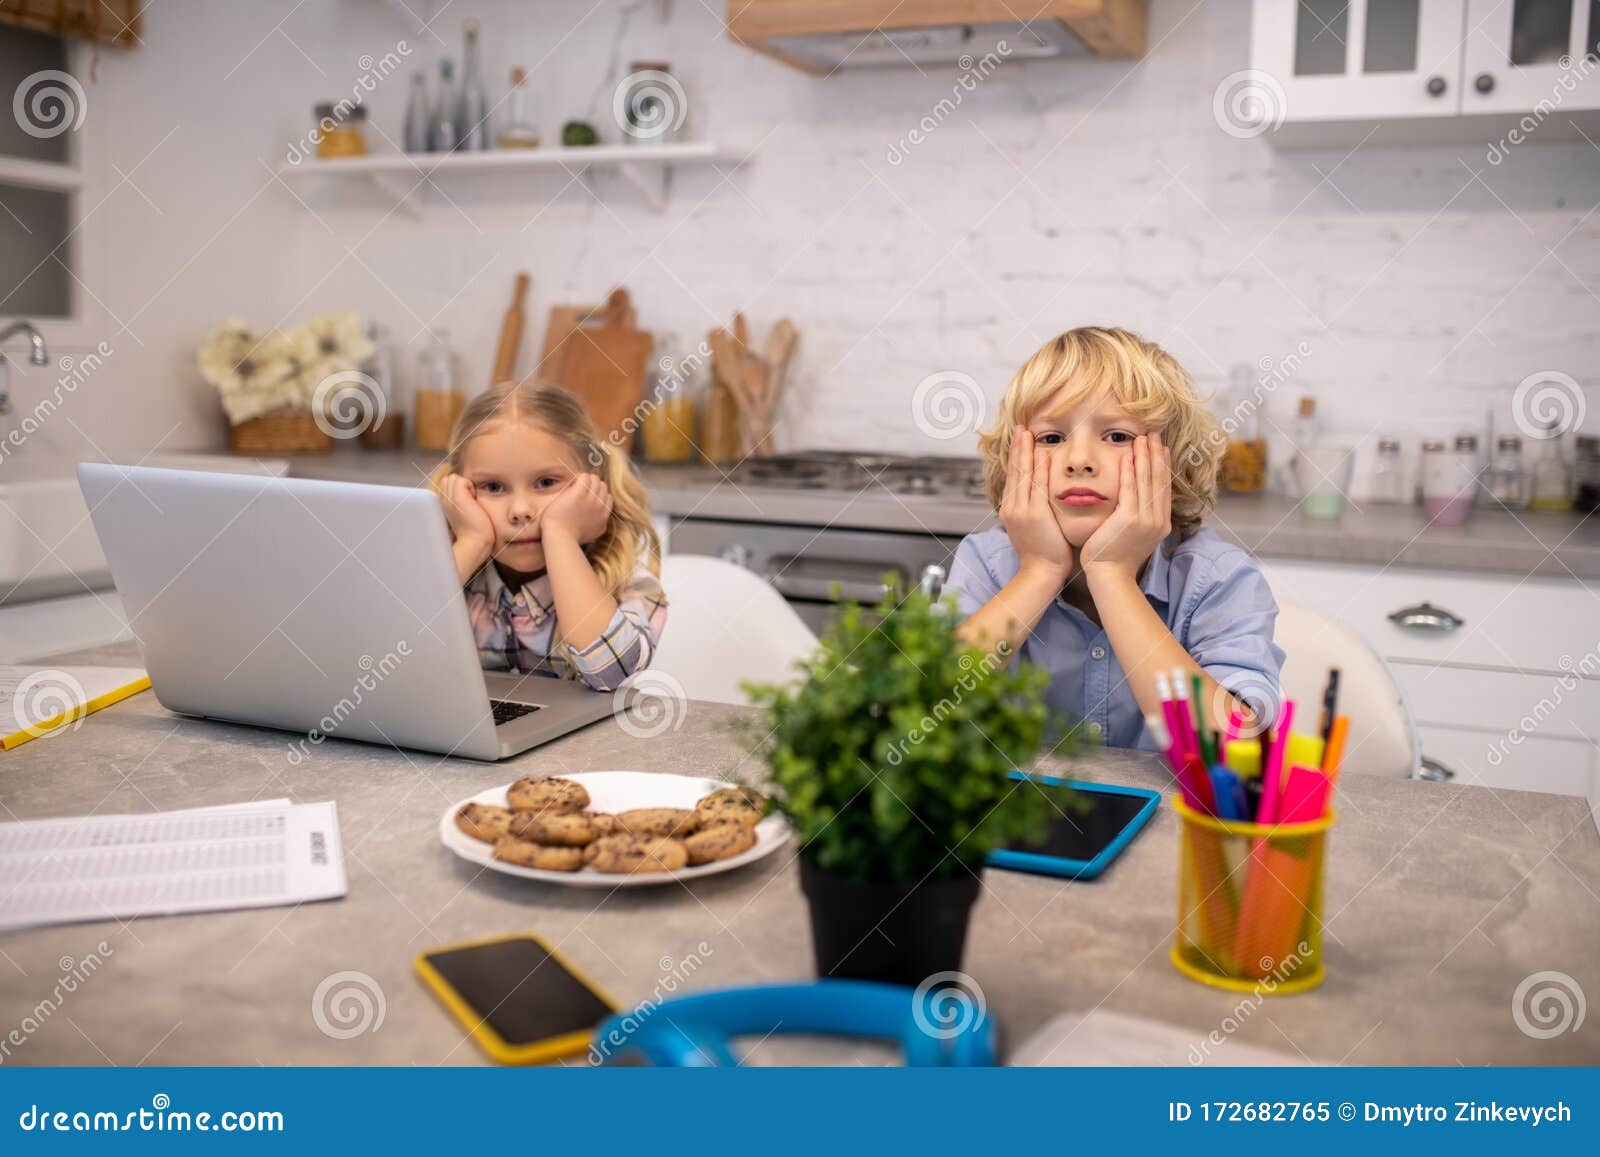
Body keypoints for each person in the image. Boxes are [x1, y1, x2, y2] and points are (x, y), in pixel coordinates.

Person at [949, 326, 1283, 750]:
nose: (1080, 460)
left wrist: (1111, 575)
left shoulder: (1218, 579)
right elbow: (917, 718)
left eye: (1118, 436)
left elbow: (1240, 754)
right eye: (1051, 438)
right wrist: (1039, 571)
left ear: (1174, 463)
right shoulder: (986, 563)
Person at [429, 380, 666, 692]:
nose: (521, 510)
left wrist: (560, 534)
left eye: (545, 482)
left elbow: (610, 673)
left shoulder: (626, 582)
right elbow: (382, 658)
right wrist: (472, 542)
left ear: (591, 486)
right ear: (459, 492)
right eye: (493, 487)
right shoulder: (452, 571)